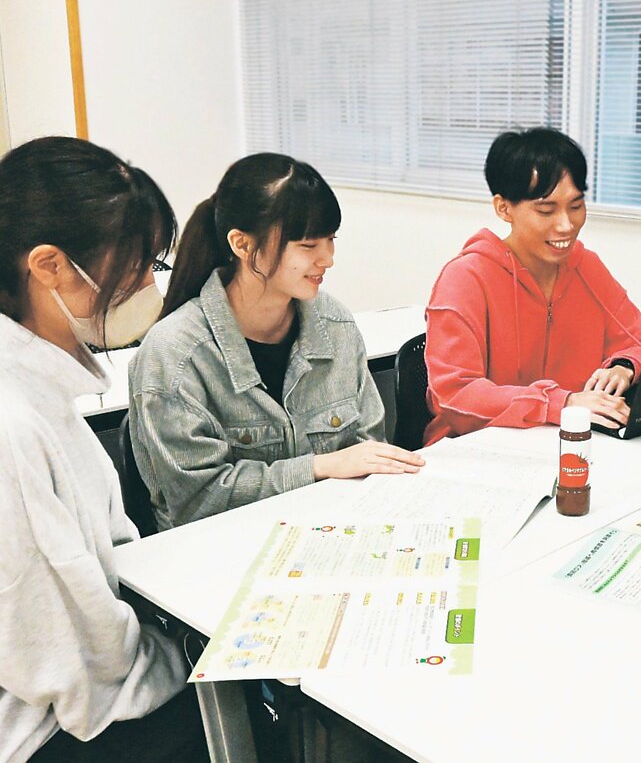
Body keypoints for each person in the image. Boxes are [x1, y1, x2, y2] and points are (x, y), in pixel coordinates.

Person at [0, 137, 205, 762]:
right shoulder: (12, 423)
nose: (147, 283)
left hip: (105, 664)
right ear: (50, 266)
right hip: (51, 727)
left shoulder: (43, 387)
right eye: (135, 265)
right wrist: (182, 659)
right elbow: (69, 660)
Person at [129, 153, 423, 530]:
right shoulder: (175, 353)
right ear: (242, 244)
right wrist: (317, 468)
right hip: (216, 553)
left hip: (331, 534)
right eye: (307, 245)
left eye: (330, 240)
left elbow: (368, 451)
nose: (328, 259)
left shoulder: (336, 325)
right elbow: (198, 498)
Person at [424, 127, 641, 444]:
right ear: (504, 208)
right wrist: (562, 403)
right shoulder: (465, 278)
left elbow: (638, 338)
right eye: (546, 210)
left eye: (575, 206)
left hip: (568, 441)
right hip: (478, 448)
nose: (566, 225)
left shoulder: (587, 267)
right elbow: (455, 394)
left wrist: (624, 367)